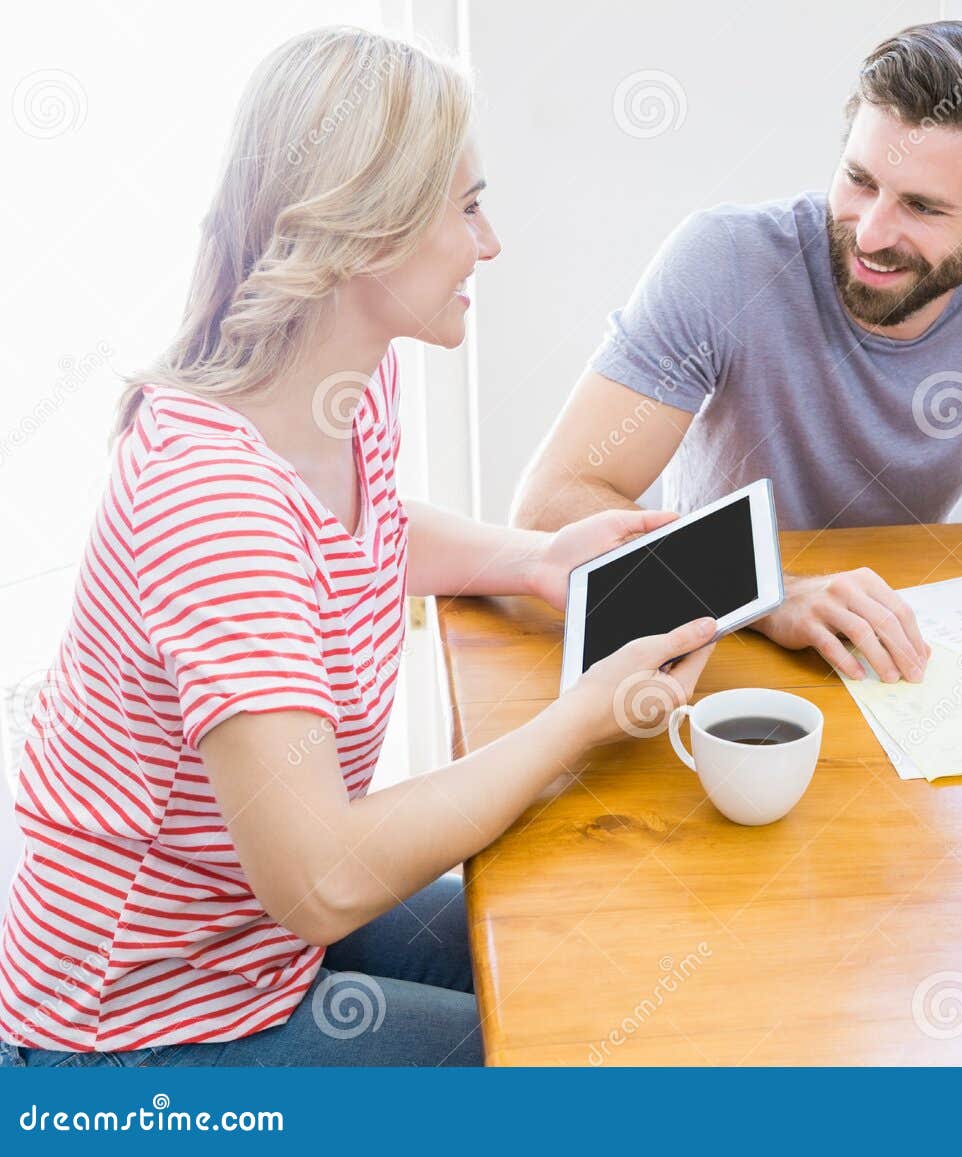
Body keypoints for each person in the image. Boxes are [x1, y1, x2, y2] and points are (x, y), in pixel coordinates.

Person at [0, 26, 717, 1069]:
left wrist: (529, 558)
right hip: (132, 1040)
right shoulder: (213, 497)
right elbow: (324, 876)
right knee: (577, 1056)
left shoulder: (337, 374)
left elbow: (354, 533)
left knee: (581, 953)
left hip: (257, 944)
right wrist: (581, 720)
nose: (491, 243)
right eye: (468, 207)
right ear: (367, 234)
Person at [511, 20, 962, 687]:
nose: (868, 232)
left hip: (904, 649)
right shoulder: (724, 262)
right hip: (717, 653)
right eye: (860, 181)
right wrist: (771, 593)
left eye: (922, 207)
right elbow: (549, 508)